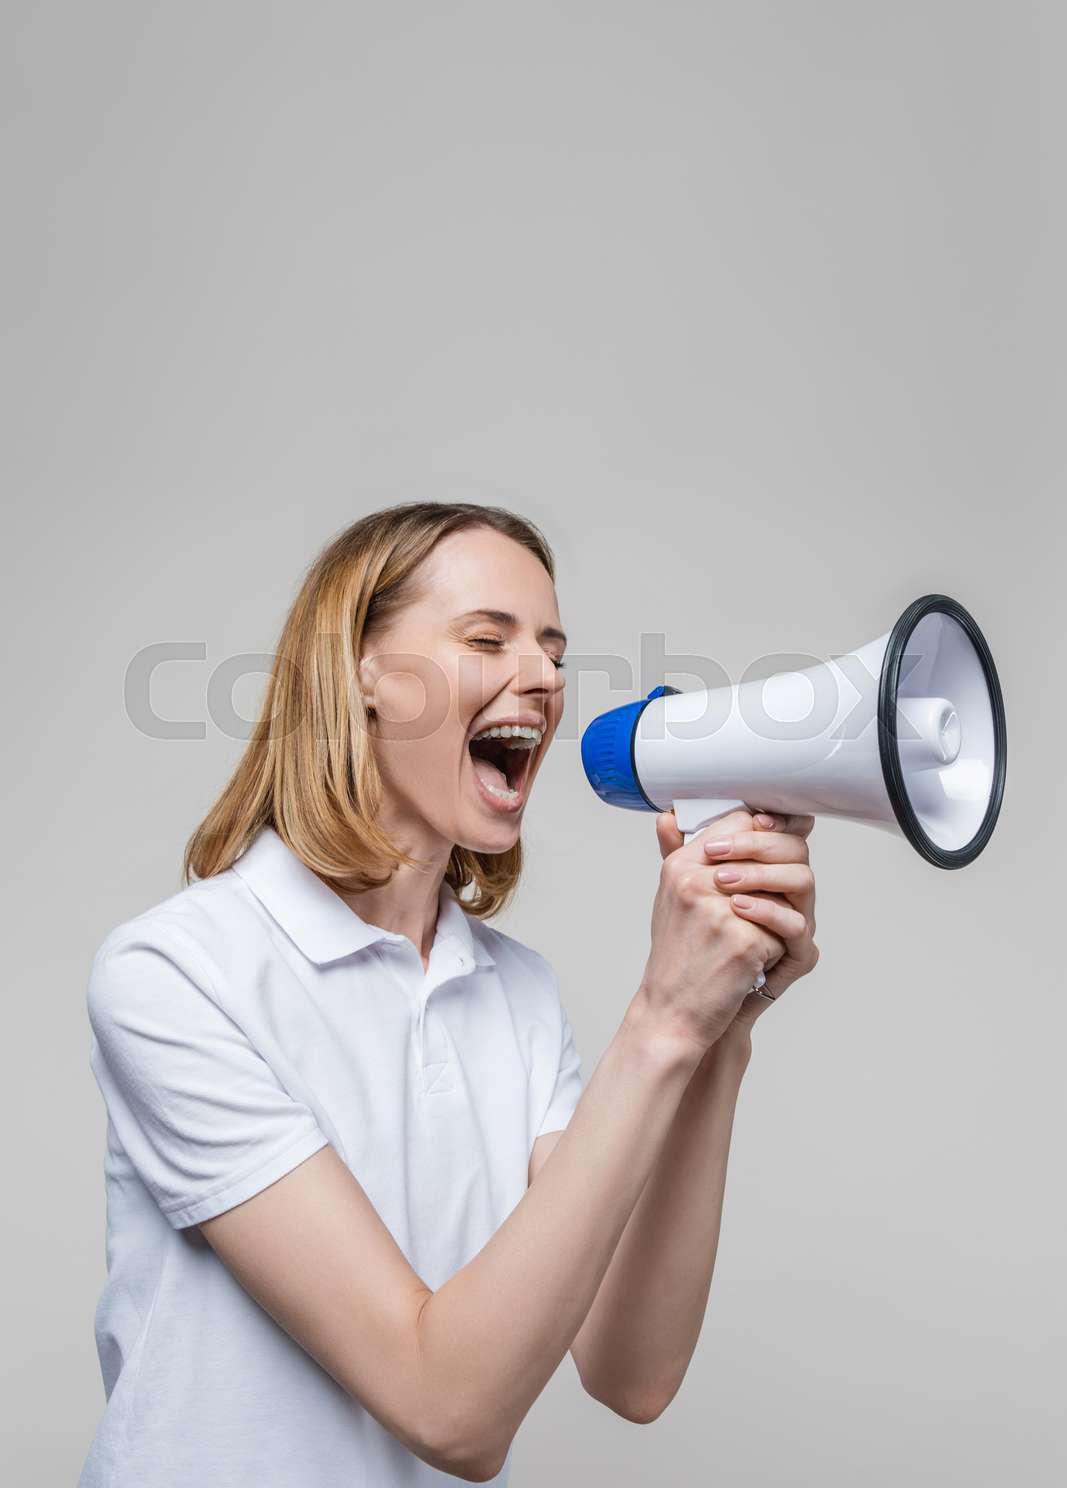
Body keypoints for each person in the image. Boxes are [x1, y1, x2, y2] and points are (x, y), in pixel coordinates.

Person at [80, 500, 819, 1487]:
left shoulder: (514, 993)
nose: (547, 679)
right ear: (359, 675)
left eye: (554, 650)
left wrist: (719, 1031)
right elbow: (448, 1408)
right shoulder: (175, 974)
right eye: (487, 638)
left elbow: (629, 1368)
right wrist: (660, 1019)